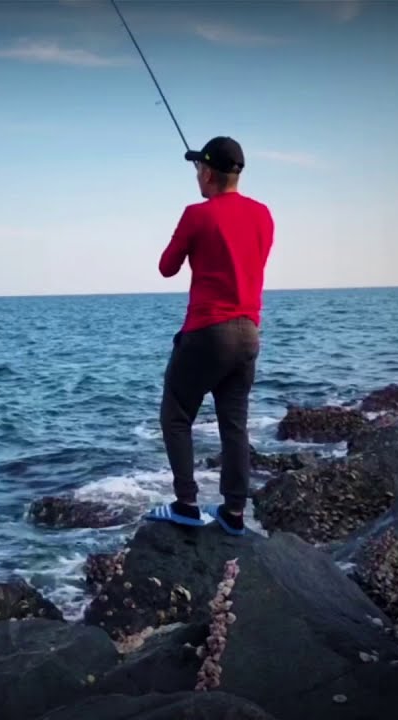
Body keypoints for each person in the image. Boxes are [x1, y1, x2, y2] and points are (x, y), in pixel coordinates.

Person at [144, 136, 274, 536]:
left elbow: (167, 267)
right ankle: (234, 512)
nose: (196, 174)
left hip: (207, 332)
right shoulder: (263, 215)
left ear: (208, 171)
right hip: (249, 334)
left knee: (176, 414)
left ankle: (186, 503)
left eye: (199, 168)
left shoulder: (196, 215)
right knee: (234, 423)